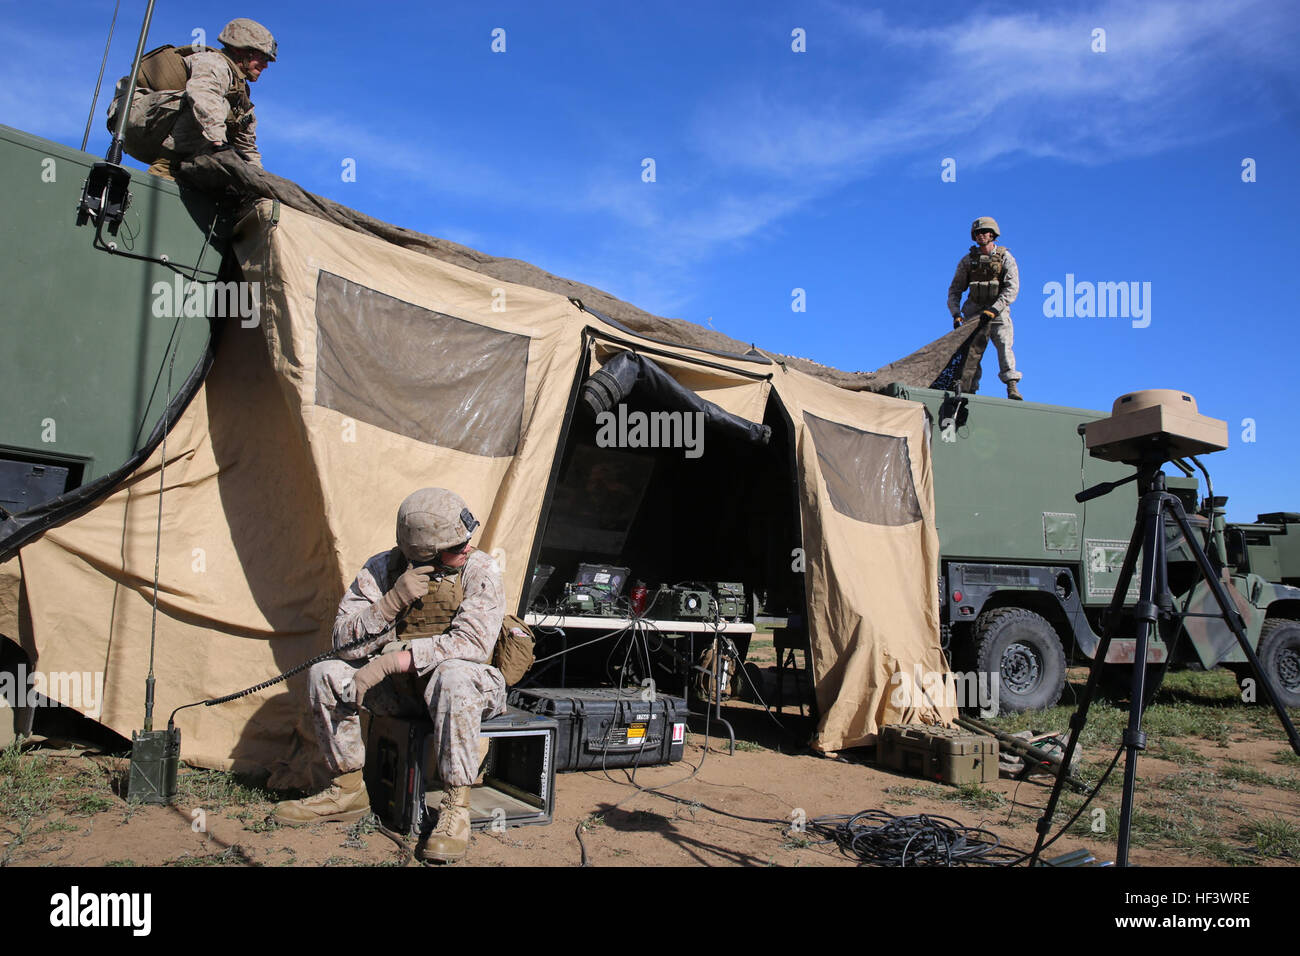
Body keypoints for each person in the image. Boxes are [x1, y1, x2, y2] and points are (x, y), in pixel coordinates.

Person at [273, 488, 507, 864]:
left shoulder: (481, 569)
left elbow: (473, 644)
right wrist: (390, 603)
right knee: (326, 674)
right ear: (422, 553)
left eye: (466, 539)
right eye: (453, 545)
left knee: (453, 677)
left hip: (469, 690)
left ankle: (455, 806)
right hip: (402, 693)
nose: (466, 548)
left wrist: (392, 661)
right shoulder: (381, 570)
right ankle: (347, 789)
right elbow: (343, 643)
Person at [107, 18, 277, 179]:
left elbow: (246, 144)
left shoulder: (241, 98)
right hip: (132, 119)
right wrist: (219, 144)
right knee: (217, 108)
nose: (266, 65)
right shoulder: (214, 63)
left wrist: (257, 178)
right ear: (240, 49)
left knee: (230, 136)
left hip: (157, 131)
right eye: (262, 57)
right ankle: (166, 169)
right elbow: (203, 95)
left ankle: (181, 172)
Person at [947, 216, 1024, 400]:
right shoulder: (968, 261)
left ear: (992, 234)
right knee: (971, 353)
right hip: (974, 312)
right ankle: (969, 390)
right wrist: (956, 314)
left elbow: (1012, 288)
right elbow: (955, 290)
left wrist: (995, 309)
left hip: (997, 311)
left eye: (984, 232)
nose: (981, 235)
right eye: (978, 233)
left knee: (1005, 346)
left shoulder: (1005, 257)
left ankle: (1011, 386)